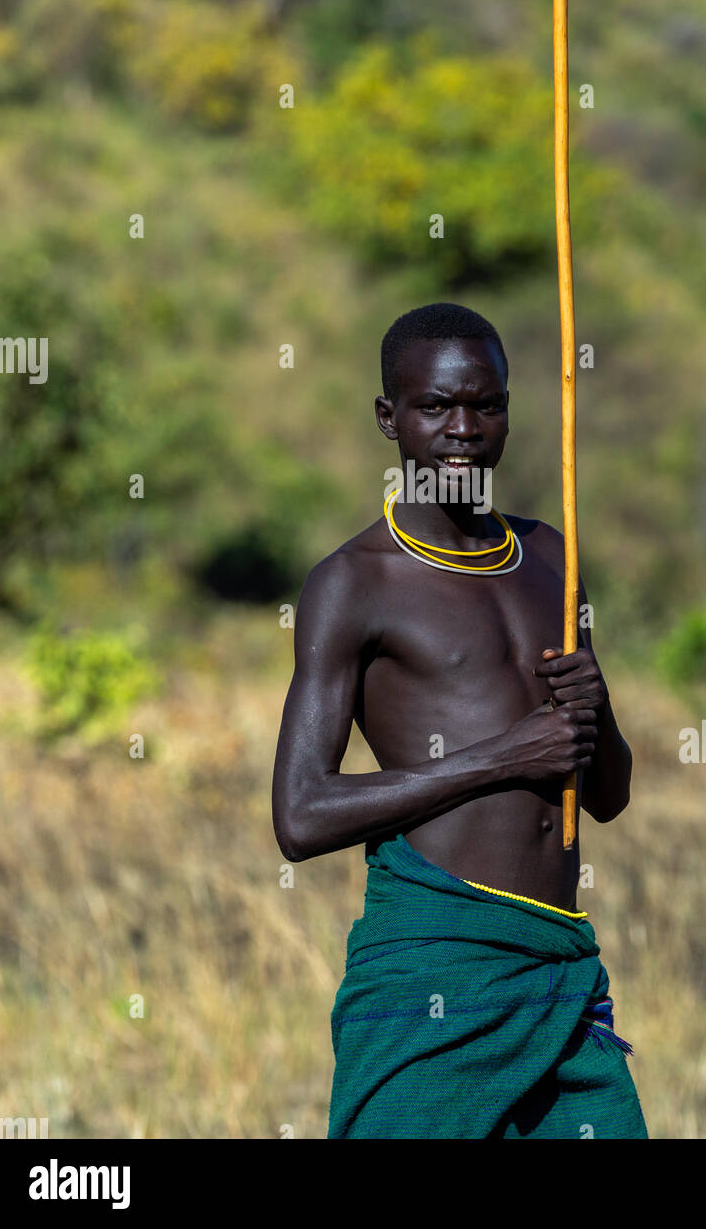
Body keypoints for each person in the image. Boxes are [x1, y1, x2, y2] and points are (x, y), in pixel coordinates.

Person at [272, 302, 648, 1139]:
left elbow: (609, 796)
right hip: (434, 964)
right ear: (388, 417)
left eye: (485, 404)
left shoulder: (553, 556)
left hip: (556, 967)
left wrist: (596, 707)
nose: (462, 428)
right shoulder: (353, 583)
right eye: (435, 407)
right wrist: (501, 756)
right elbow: (299, 817)